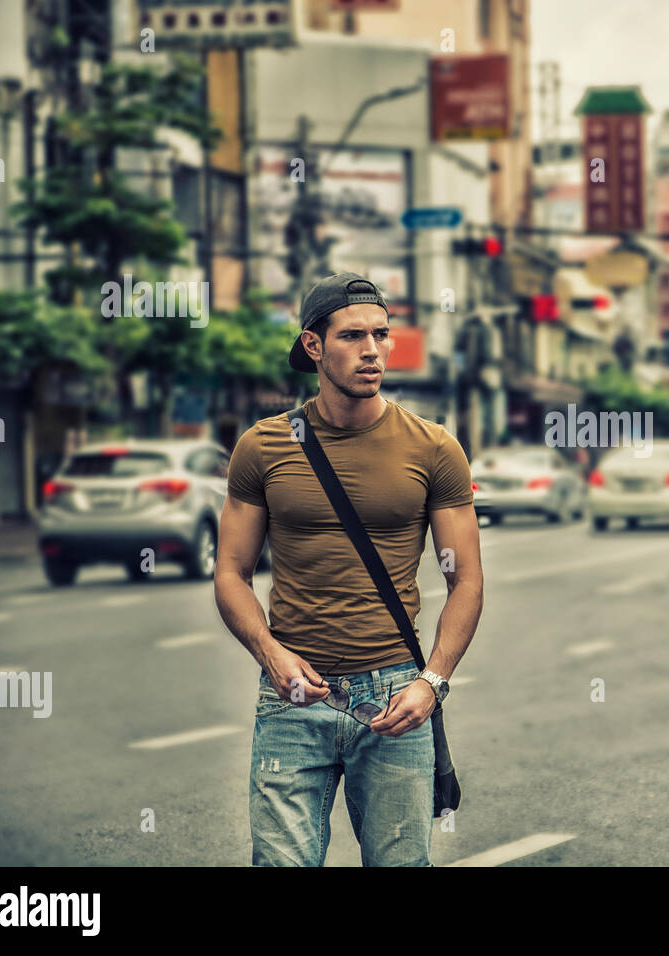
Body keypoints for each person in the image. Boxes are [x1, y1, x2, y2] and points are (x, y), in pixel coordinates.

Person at [214, 273, 484, 867]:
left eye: (382, 335)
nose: (372, 350)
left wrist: (432, 682)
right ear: (314, 347)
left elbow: (464, 579)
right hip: (293, 694)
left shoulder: (434, 448)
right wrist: (269, 652)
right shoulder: (262, 447)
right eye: (353, 335)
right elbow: (231, 570)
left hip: (397, 695)